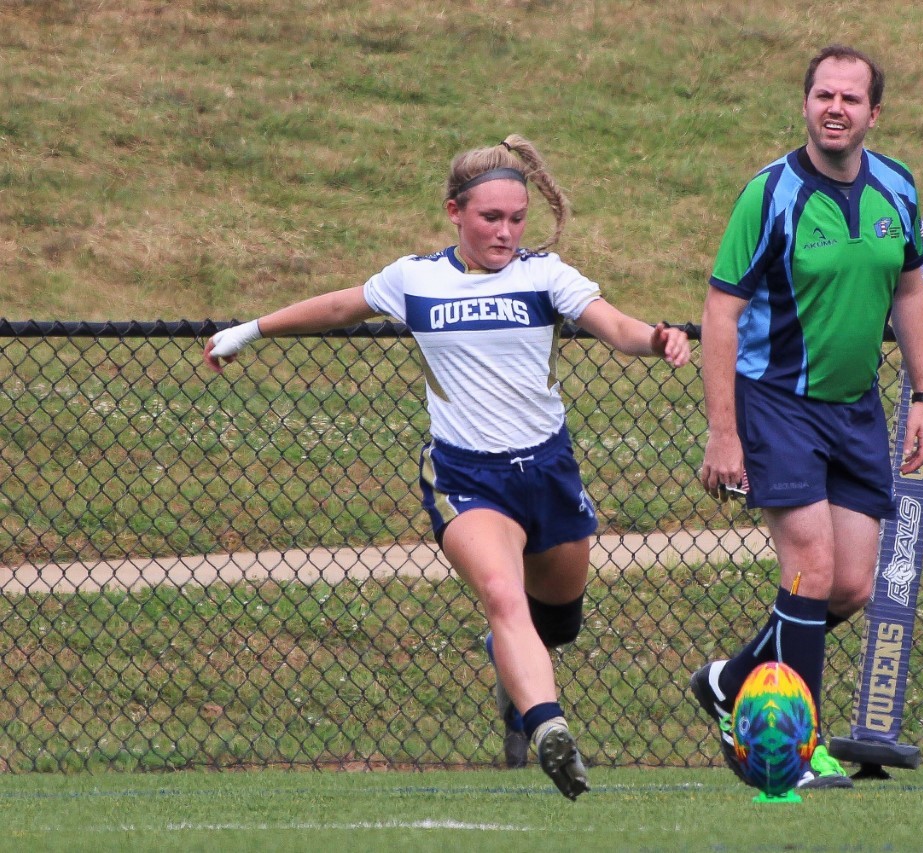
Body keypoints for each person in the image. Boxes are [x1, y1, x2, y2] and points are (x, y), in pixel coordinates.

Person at [202, 134, 691, 801]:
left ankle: (511, 667)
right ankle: (550, 730)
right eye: (491, 218)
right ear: (454, 211)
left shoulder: (544, 274)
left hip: (548, 472)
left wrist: (658, 337)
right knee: (500, 594)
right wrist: (251, 329)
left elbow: (612, 325)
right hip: (465, 477)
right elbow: (343, 305)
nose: (506, 231)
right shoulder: (416, 279)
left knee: (558, 624)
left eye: (516, 219)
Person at [692, 45, 923, 790]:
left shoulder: (896, 184)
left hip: (858, 409)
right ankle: (800, 751)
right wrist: (724, 429)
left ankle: (730, 680)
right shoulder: (768, 193)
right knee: (811, 569)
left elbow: (910, 290)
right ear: (805, 103)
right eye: (823, 95)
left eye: (851, 99)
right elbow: (720, 312)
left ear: (873, 112)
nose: (835, 108)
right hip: (777, 404)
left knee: (850, 587)